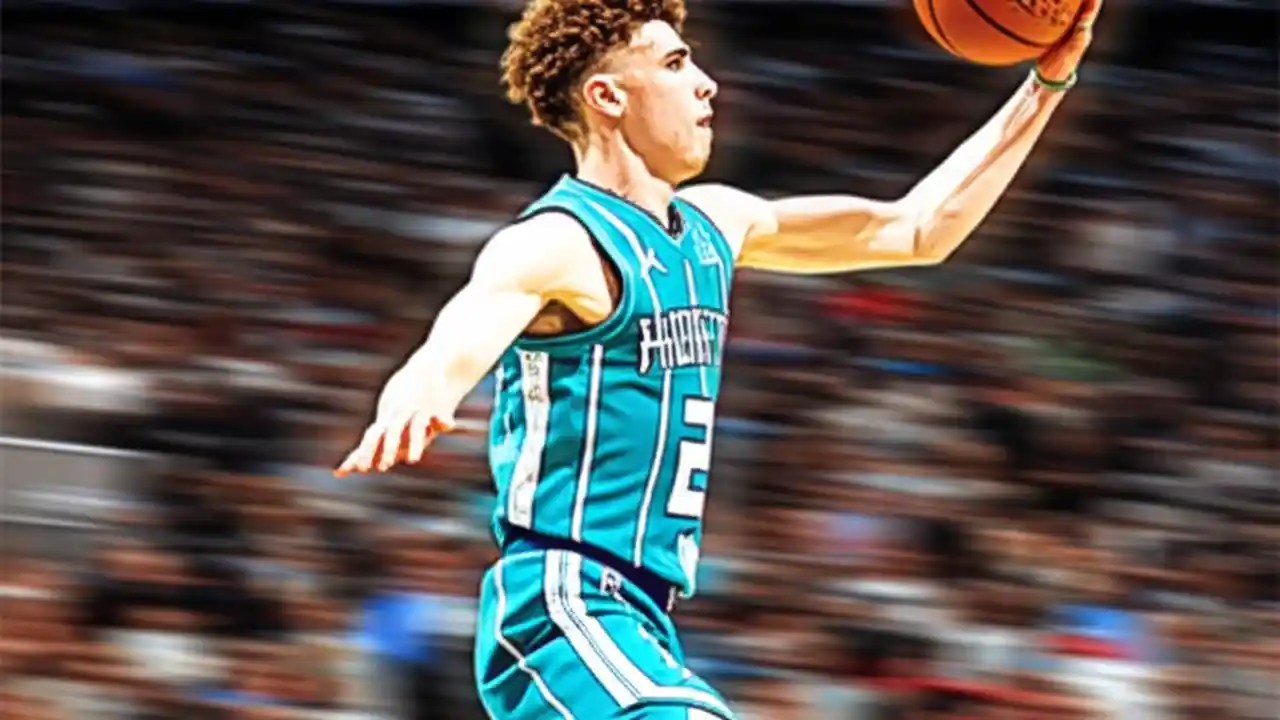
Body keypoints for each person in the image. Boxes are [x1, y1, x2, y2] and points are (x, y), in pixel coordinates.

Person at [335, 0, 1104, 717]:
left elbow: (916, 229)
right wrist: (418, 390)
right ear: (608, 97)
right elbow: (461, 328)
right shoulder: (560, 241)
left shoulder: (715, 223)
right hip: (560, 604)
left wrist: (1048, 83)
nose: (706, 84)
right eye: (674, 65)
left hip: (644, 619)